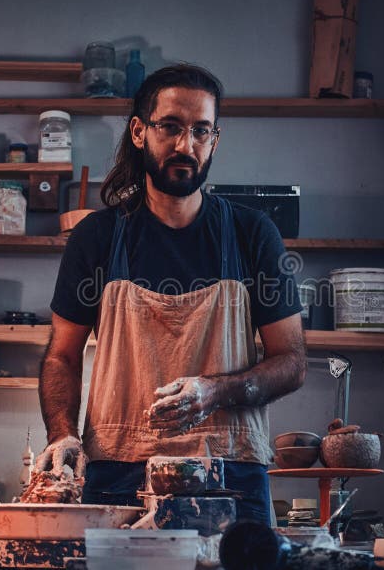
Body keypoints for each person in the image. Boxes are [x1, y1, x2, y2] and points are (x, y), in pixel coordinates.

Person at [36, 64, 306, 524]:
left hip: (230, 471)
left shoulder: (252, 235)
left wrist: (216, 391)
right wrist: (62, 435)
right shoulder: (97, 238)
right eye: (171, 127)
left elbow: (292, 362)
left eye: (201, 131)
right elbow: (61, 356)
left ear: (214, 141)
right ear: (140, 132)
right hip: (120, 471)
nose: (186, 145)